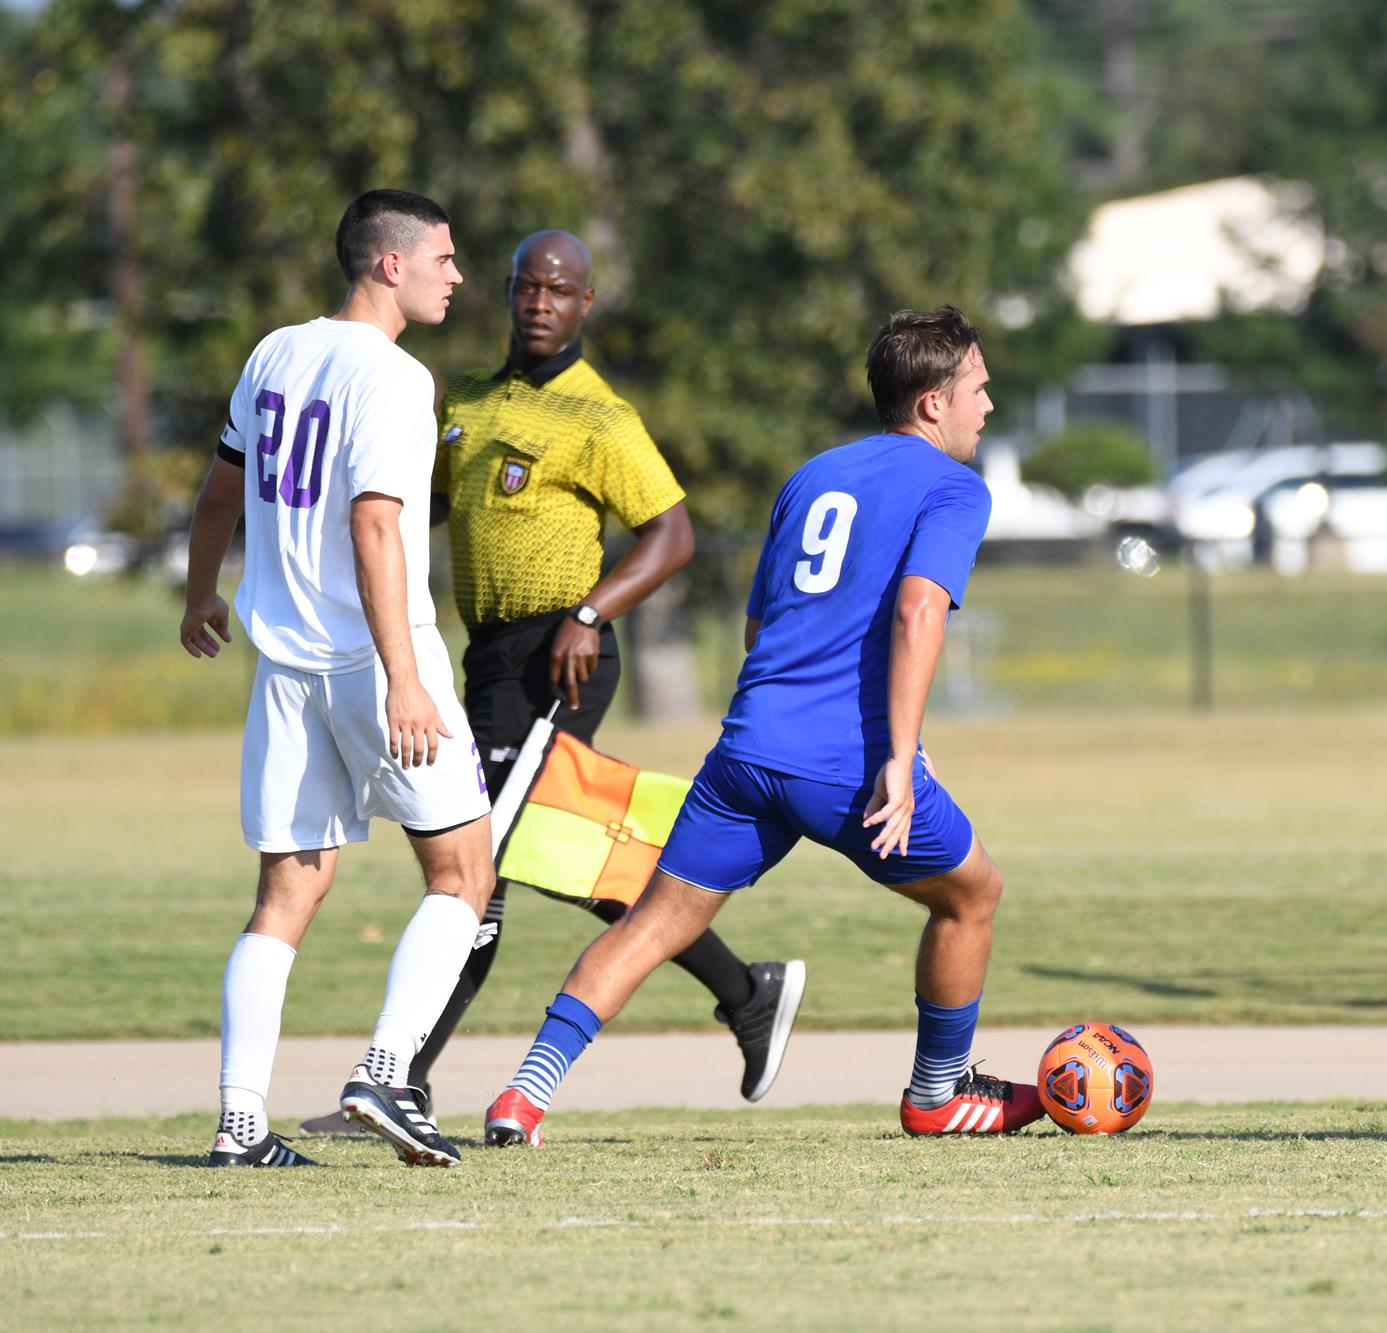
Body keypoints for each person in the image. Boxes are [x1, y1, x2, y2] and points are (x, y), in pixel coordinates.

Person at [483, 304, 1041, 1148]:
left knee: (655, 922)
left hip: (746, 749)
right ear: (932, 402)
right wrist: (896, 756)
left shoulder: (812, 474)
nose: (987, 406)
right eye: (978, 388)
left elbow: (757, 631)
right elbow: (919, 611)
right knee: (973, 894)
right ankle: (938, 1092)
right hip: (842, 760)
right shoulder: (955, 486)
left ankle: (522, 1097)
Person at [299, 230, 805, 1138]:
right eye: (528, 287)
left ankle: (401, 1077)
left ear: (585, 303)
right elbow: (427, 502)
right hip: (489, 657)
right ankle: (746, 989)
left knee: (476, 868)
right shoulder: (471, 401)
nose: (541, 302)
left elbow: (672, 534)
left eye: (560, 290)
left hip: (560, 656)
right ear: (507, 294)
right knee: (539, 853)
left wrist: (592, 612)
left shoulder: (599, 416)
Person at [181, 189, 494, 1168]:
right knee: (464, 875)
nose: (456, 274)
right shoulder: (399, 379)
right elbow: (372, 524)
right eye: (443, 257)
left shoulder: (274, 351)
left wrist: (200, 596)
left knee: (287, 892)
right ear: (389, 264)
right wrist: (404, 675)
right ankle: (387, 1072)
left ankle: (241, 1122)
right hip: (369, 661)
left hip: (282, 670)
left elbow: (221, 488)